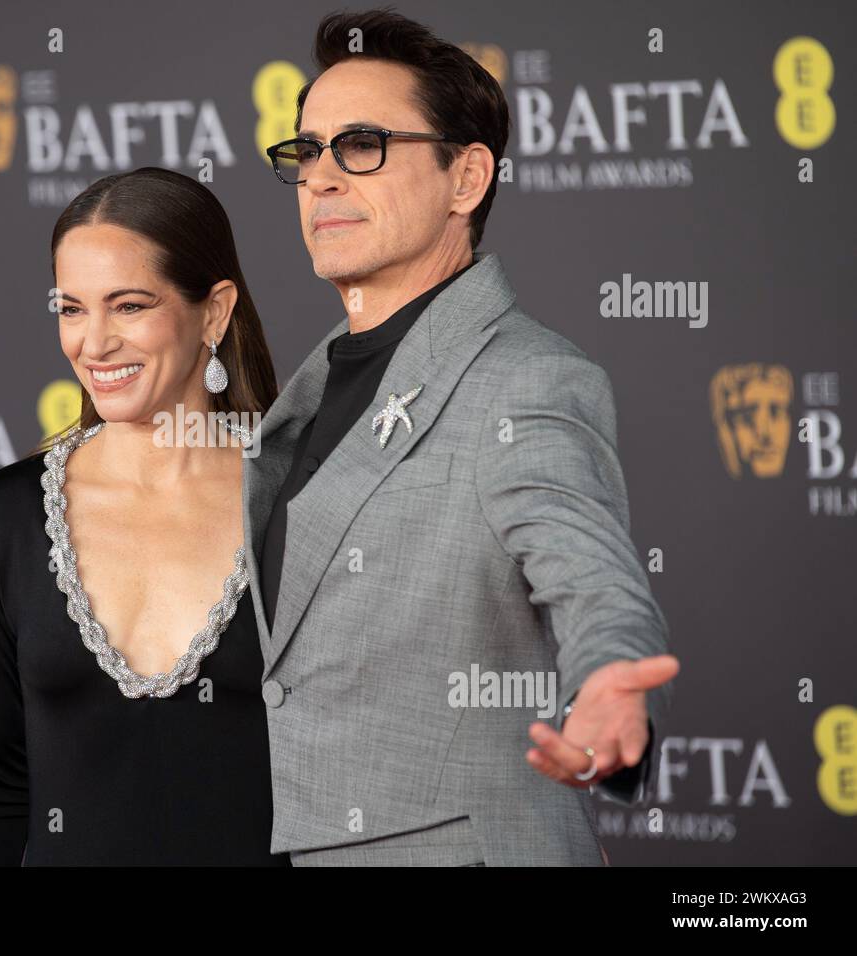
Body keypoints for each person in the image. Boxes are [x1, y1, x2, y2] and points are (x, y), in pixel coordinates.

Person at [247, 8, 680, 865]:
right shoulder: (301, 393)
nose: (323, 177)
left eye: (362, 144)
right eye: (308, 151)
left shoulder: (526, 379)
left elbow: (593, 578)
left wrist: (607, 684)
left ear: (467, 177)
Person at [0, 167, 289, 865]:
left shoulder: (302, 502)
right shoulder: (6, 518)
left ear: (214, 312)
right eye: (71, 309)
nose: (92, 344)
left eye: (128, 306)